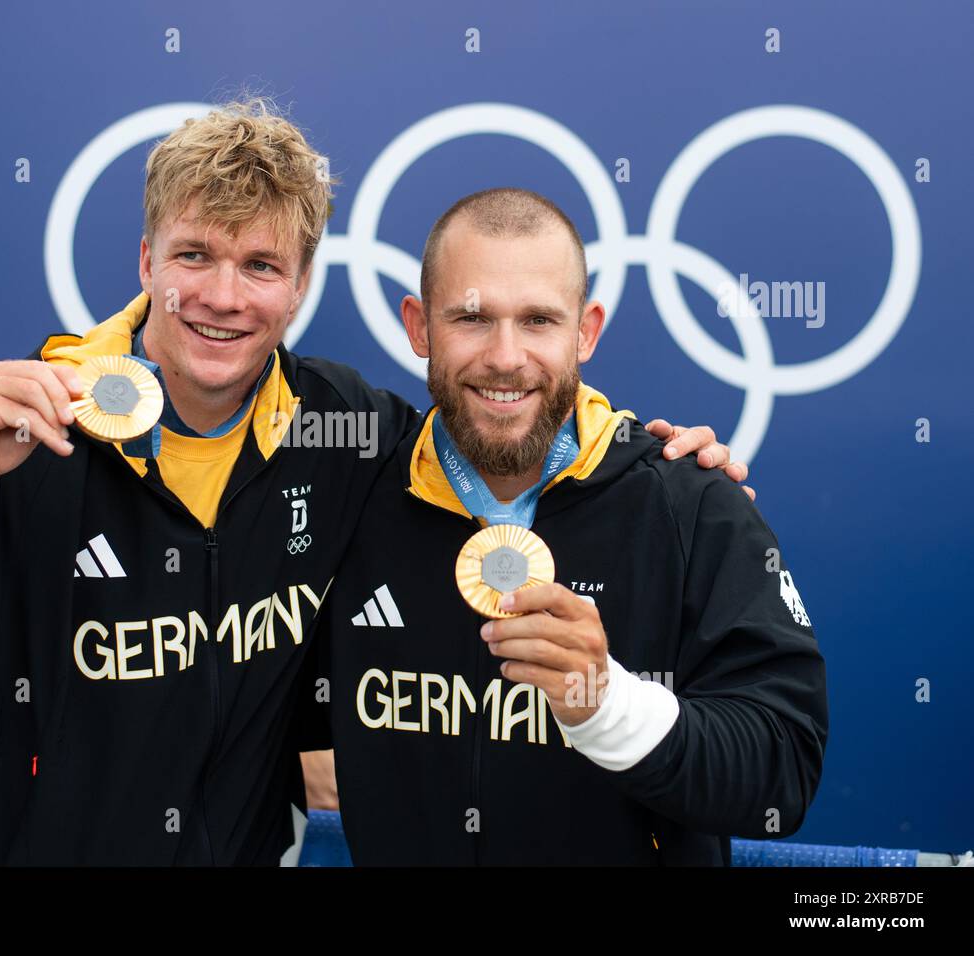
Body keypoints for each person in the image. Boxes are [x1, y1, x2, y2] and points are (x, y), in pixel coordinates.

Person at [0, 101, 743, 865]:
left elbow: (500, 432)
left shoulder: (350, 436)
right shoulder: (21, 434)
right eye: (193, 255)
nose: (220, 294)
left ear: (301, 285)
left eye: (260, 265)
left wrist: (651, 462)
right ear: (145, 259)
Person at [308, 187, 828, 865]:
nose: (504, 356)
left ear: (585, 331)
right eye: (471, 318)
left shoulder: (691, 504)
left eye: (537, 321)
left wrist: (606, 704)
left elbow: (782, 773)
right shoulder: (354, 494)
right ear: (418, 325)